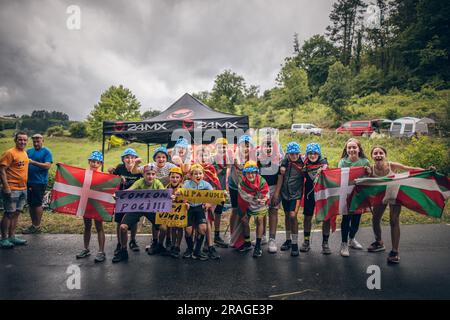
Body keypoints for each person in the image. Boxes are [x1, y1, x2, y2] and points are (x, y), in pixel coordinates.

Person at [367, 145, 428, 264]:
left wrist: (426, 170)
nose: (378, 155)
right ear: (372, 156)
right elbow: (363, 180)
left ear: (385, 155)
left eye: (381, 153)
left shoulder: (392, 165)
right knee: (375, 219)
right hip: (380, 195)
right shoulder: (370, 168)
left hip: (394, 194)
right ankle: (379, 242)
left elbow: (409, 168)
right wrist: (367, 173)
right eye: (375, 153)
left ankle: (395, 251)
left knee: (394, 221)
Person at [112, 163, 165, 263]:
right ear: (144, 174)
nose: (150, 176)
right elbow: (129, 190)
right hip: (137, 208)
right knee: (123, 227)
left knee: (163, 228)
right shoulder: (139, 182)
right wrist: (118, 195)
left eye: (153, 174)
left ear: (155, 175)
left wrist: (170, 196)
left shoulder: (157, 183)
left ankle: (159, 245)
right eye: (148, 174)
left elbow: (163, 192)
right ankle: (123, 251)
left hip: (151, 209)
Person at [338, 138, 370, 257]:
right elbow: (339, 177)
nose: (352, 149)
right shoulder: (343, 162)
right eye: (349, 147)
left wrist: (369, 171)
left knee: (356, 221)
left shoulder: (364, 161)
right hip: (346, 195)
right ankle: (344, 244)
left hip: (359, 195)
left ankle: (352, 239)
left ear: (359, 149)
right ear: (346, 150)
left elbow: (369, 177)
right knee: (346, 219)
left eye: (354, 147)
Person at [108, 148, 142, 255]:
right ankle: (119, 243)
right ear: (123, 159)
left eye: (132, 157)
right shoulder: (120, 168)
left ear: (135, 159)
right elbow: (112, 178)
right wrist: (110, 171)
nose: (130, 159)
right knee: (119, 222)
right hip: (121, 199)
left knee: (134, 221)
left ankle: (132, 240)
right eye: (127, 157)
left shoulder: (139, 170)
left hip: (135, 199)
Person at [273, 142, 304, 257]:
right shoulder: (284, 162)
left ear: (299, 153)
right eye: (292, 154)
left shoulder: (303, 162)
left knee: (292, 215)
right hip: (285, 194)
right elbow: (280, 178)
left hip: (296, 195)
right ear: (288, 154)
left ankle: (295, 243)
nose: (294, 156)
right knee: (286, 216)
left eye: (296, 153)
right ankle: (288, 240)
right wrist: (276, 193)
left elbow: (319, 160)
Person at [76, 151, 107, 263]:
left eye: (97, 162)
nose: (94, 164)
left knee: (99, 227)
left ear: (100, 164)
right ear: (89, 161)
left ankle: (101, 251)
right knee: (87, 226)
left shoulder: (103, 176)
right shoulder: (84, 174)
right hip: (86, 203)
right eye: (93, 161)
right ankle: (86, 249)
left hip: (97, 204)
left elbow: (108, 188)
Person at [300, 143, 331, 254]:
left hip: (323, 194)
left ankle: (325, 243)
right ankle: (306, 241)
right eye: (310, 153)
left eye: (315, 153)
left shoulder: (323, 163)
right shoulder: (304, 164)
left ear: (319, 154)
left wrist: (323, 169)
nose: (313, 155)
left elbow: (325, 164)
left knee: (326, 218)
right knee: (307, 217)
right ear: (307, 154)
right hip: (309, 194)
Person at [0, 132, 29, 248]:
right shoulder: (9, 153)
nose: (22, 142)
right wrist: (6, 187)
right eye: (20, 140)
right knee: (9, 213)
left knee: (16, 213)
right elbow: (1, 170)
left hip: (23, 188)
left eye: (24, 140)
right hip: (12, 188)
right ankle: (4, 239)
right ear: (15, 140)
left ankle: (12, 236)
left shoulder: (24, 153)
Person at [228, 135, 256, 250]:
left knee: (245, 214)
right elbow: (228, 167)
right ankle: (232, 235)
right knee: (234, 210)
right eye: (242, 146)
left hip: (246, 189)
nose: (245, 148)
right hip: (234, 187)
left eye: (248, 146)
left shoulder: (253, 159)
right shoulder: (234, 157)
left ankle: (244, 237)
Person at [237, 161, 270, 258]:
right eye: (248, 173)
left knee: (259, 220)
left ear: (256, 173)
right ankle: (247, 243)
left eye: (253, 172)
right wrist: (256, 199)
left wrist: (264, 199)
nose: (250, 175)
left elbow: (266, 193)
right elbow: (244, 196)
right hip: (247, 203)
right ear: (245, 174)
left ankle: (258, 246)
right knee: (244, 220)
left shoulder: (262, 181)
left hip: (259, 204)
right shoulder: (242, 183)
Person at [181, 164, 213, 261]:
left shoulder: (206, 185)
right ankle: (190, 249)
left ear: (203, 175)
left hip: (199, 207)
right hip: (189, 208)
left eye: (200, 173)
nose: (198, 176)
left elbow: (213, 196)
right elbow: (183, 196)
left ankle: (198, 250)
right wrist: (185, 202)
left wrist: (208, 203)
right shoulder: (187, 184)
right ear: (191, 175)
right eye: (195, 174)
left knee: (203, 228)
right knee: (188, 230)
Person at [22, 134, 53, 234]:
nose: (36, 143)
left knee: (37, 204)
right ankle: (33, 225)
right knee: (31, 204)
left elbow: (47, 166)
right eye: (34, 141)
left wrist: (33, 162)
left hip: (39, 182)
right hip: (28, 181)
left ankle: (37, 226)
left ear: (42, 141)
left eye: (38, 141)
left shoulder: (47, 151)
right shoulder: (29, 151)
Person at [257, 136, 282, 253]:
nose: (268, 148)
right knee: (262, 213)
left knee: (273, 211)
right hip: (261, 189)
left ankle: (272, 239)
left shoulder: (278, 159)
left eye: (270, 145)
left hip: (273, 188)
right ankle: (263, 236)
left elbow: (280, 178)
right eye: (265, 145)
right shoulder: (258, 159)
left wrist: (276, 193)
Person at [195, 146, 221, 260]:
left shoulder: (211, 168)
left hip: (209, 200)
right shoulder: (194, 169)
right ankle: (198, 246)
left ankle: (210, 246)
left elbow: (215, 186)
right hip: (195, 200)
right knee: (198, 223)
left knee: (208, 221)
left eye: (205, 155)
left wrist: (210, 202)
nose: (203, 158)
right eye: (200, 155)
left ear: (209, 157)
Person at [212, 137, 233, 248]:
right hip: (212, 190)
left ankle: (216, 235)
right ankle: (207, 238)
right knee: (210, 213)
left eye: (224, 146)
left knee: (218, 213)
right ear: (216, 148)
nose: (222, 148)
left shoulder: (228, 159)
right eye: (219, 146)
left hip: (222, 190)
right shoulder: (212, 159)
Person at [166, 166, 185, 259]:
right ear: (169, 177)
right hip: (171, 211)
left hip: (180, 211)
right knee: (173, 228)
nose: (174, 179)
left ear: (181, 178)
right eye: (172, 177)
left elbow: (186, 199)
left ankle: (178, 245)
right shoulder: (167, 187)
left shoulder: (182, 187)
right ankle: (173, 244)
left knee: (179, 228)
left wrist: (178, 197)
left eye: (177, 177)